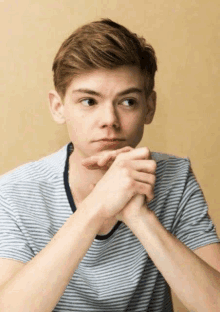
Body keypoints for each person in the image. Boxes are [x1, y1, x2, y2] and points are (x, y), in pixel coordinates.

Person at [0, 18, 220, 312]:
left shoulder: (175, 177)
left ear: (149, 107)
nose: (110, 121)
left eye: (127, 102)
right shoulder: (15, 191)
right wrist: (96, 208)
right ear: (58, 107)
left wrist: (139, 216)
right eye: (89, 101)